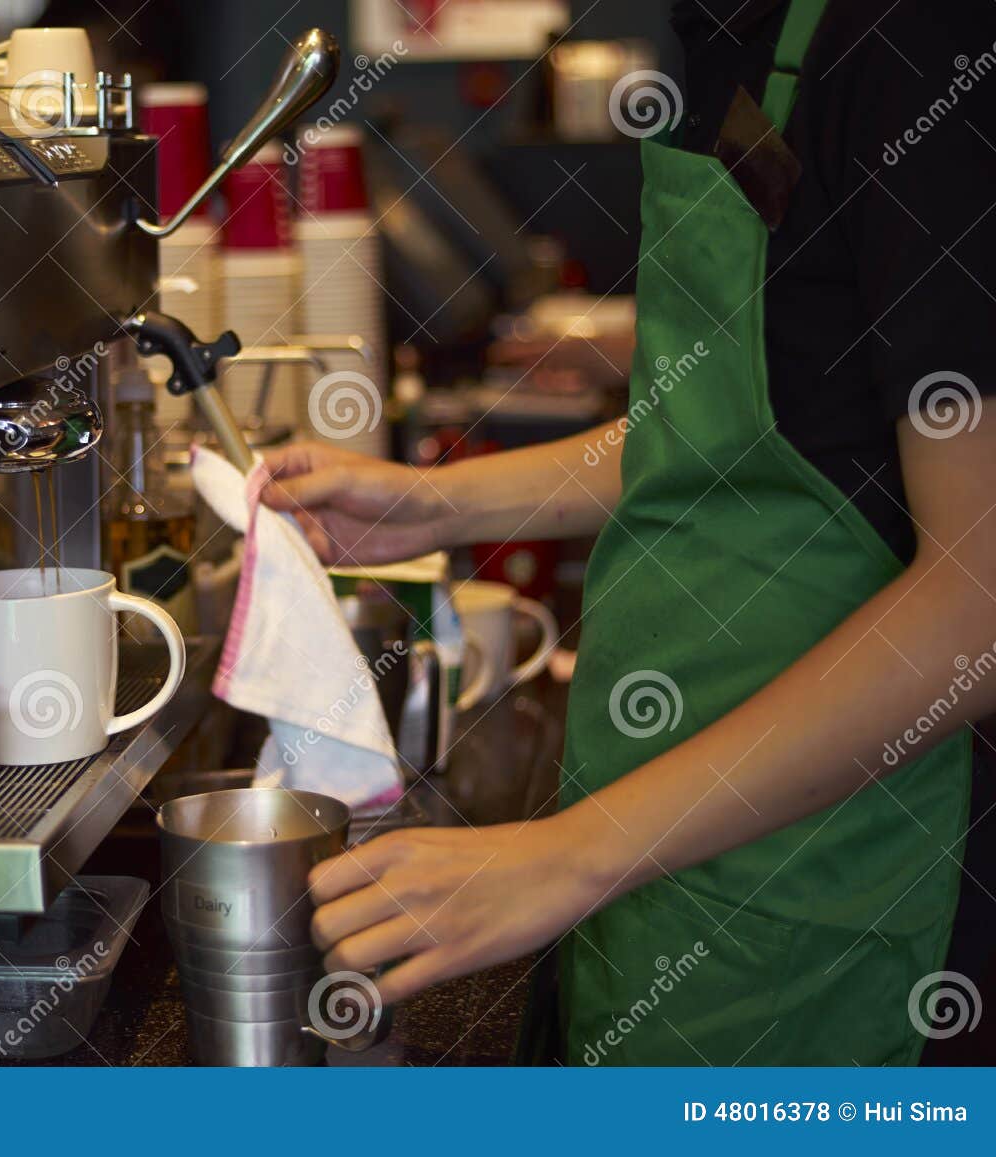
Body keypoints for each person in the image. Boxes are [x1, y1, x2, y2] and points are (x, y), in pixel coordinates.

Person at [263, 0, 996, 1065]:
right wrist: (435, 504)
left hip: (848, 901)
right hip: (668, 854)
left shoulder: (913, 42)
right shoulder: (727, 34)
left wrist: (567, 857)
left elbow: (978, 601)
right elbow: (730, 430)